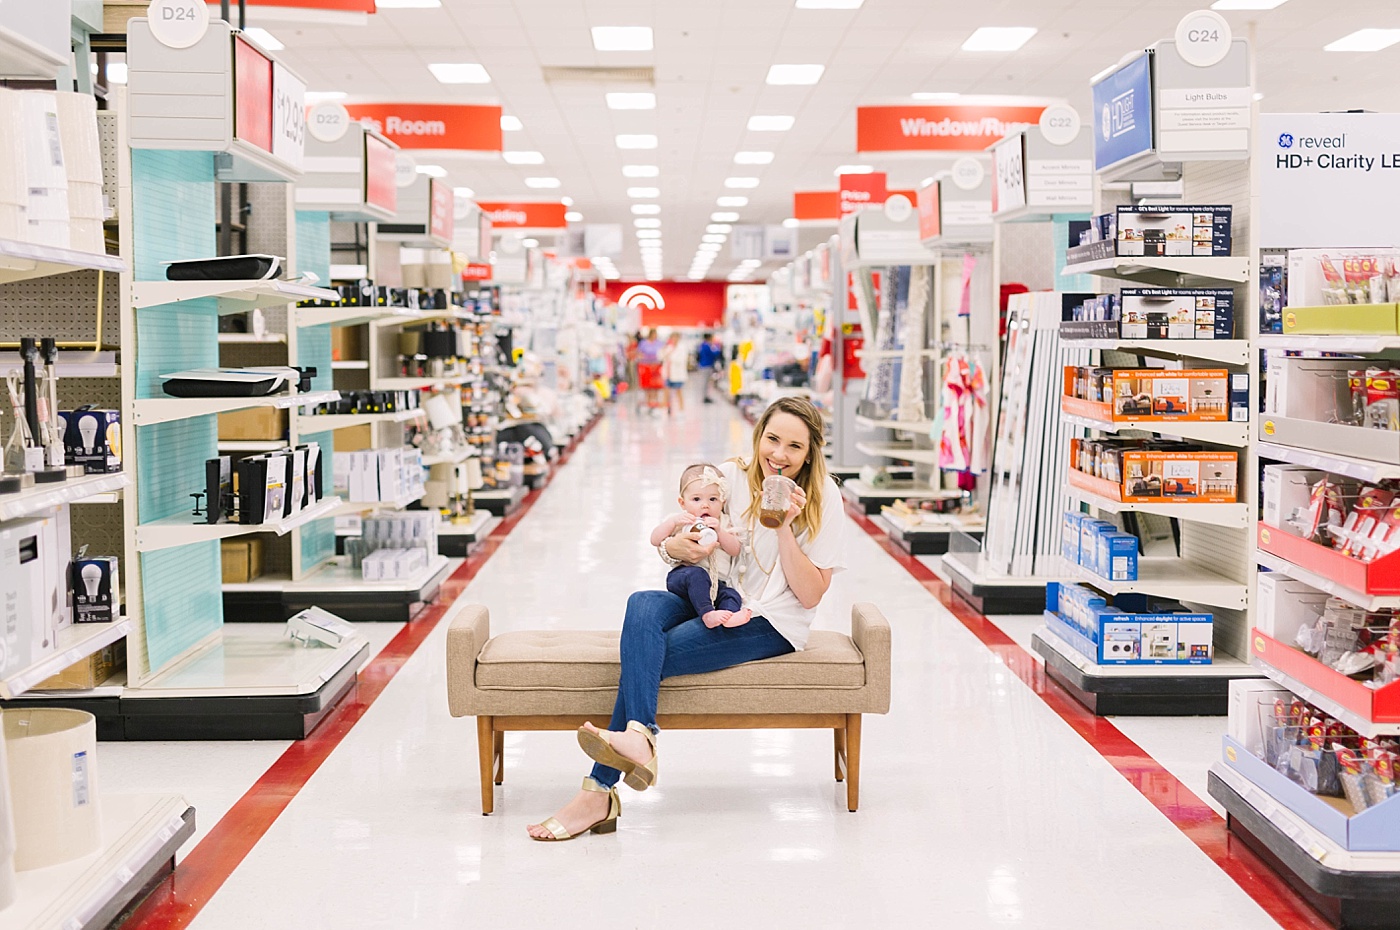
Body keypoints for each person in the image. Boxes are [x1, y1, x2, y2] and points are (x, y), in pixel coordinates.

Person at [527, 396, 846, 841]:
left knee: (646, 655)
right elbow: (681, 530)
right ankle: (640, 736)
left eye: (794, 446)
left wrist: (785, 526)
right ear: (758, 436)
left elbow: (810, 595)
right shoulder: (729, 476)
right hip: (713, 593)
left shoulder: (824, 497)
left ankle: (597, 793)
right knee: (642, 604)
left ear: (811, 452)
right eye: (772, 439)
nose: (779, 454)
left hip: (769, 620)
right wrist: (674, 548)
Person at [649, 463, 750, 629]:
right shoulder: (680, 520)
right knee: (697, 575)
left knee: (732, 595)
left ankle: (728, 617)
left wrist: (719, 531)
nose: (705, 505)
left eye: (713, 499)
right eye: (696, 499)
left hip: (716, 584)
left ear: (722, 501)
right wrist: (671, 523)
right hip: (683, 577)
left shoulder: (723, 522)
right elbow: (655, 539)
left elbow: (735, 550)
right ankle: (707, 614)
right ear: (682, 502)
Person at [636, 328, 665, 415]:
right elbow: (639, 353)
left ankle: (654, 403)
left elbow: (662, 353)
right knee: (647, 386)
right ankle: (648, 402)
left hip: (656, 366)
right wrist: (643, 357)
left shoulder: (659, 343)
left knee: (655, 385)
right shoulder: (643, 343)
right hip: (645, 366)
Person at [662, 332, 689, 414]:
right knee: (666, 391)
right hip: (668, 373)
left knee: (678, 391)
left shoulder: (682, 348)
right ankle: (667, 408)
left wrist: (670, 357)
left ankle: (681, 409)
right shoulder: (669, 347)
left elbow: (681, 360)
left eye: (675, 337)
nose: (674, 339)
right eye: (672, 337)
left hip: (678, 374)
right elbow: (662, 356)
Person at [697, 333, 723, 404]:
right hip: (706, 366)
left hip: (703, 365)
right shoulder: (707, 346)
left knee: (706, 382)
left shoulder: (702, 345)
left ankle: (706, 396)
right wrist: (718, 348)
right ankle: (705, 397)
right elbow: (713, 354)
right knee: (706, 382)